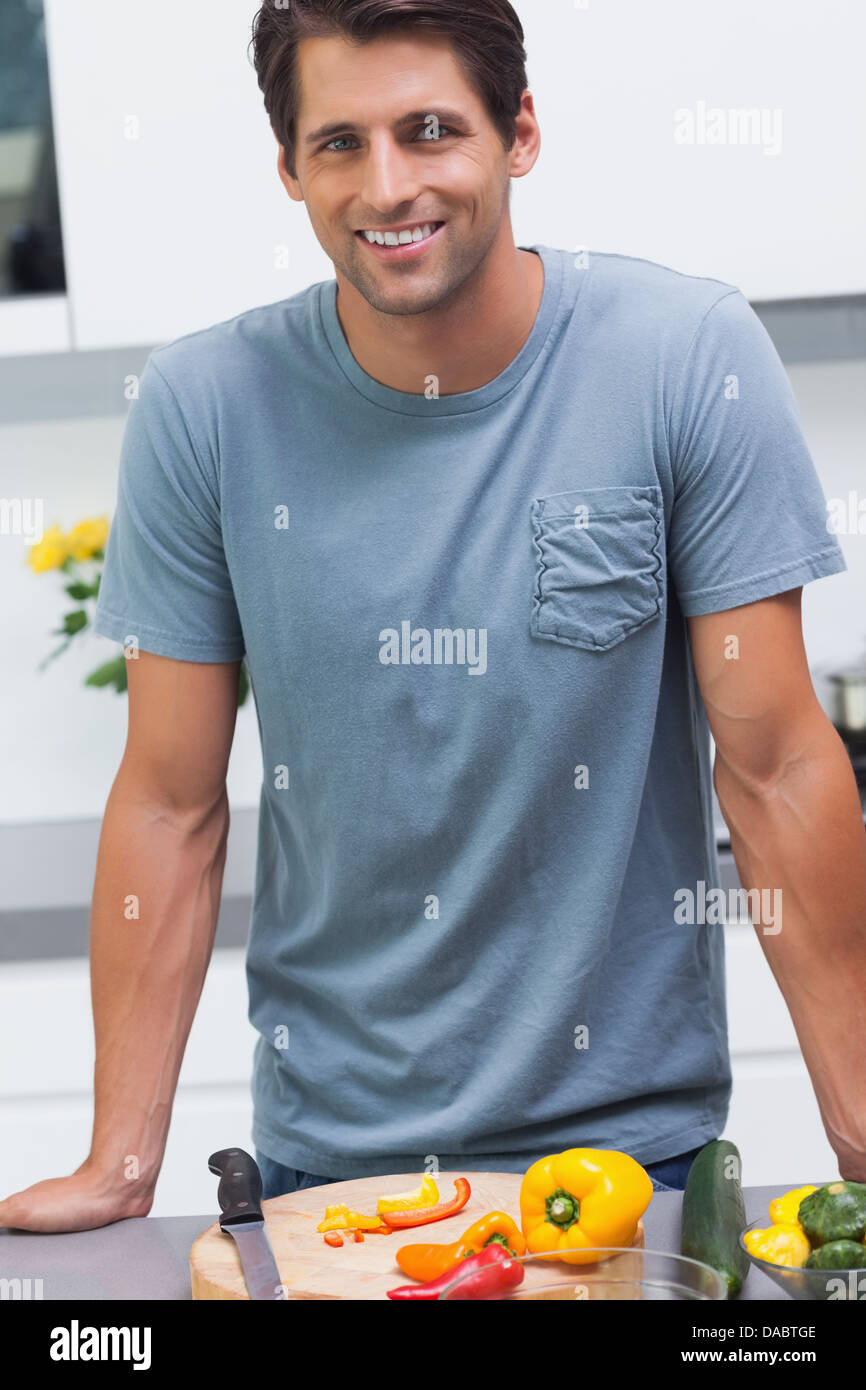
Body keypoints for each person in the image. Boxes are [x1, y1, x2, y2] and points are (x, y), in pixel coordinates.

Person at [3, 0, 864, 1233]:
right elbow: (167, 802)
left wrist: (860, 1128)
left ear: (518, 133)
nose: (387, 185)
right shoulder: (204, 408)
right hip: (330, 1172)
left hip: (636, 1166)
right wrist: (118, 1160)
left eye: (427, 130)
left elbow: (777, 767)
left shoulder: (682, 357)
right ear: (289, 165)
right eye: (340, 143)